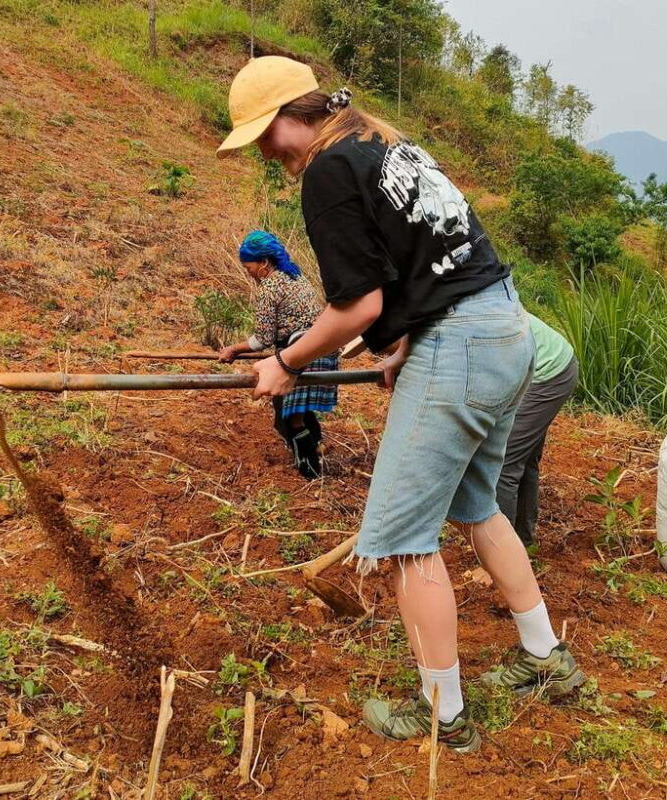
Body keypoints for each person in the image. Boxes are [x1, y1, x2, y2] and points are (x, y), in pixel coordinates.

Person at [217, 56, 585, 753]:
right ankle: (545, 657)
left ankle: (441, 714)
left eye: (266, 135)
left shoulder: (327, 171)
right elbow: (438, 259)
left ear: (293, 116)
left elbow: (358, 303)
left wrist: (286, 362)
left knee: (405, 540)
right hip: (503, 329)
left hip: (460, 347)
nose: (267, 153)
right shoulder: (384, 142)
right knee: (476, 507)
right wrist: (404, 340)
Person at [219, 230, 338, 479]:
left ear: (263, 263)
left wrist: (233, 349)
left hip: (300, 352)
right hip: (322, 348)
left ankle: (310, 471)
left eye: (248, 266)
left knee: (290, 414)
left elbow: (262, 339)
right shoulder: (295, 276)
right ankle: (316, 448)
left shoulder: (269, 287)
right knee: (299, 409)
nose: (248, 272)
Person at [496, 314, 579, 546]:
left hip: (547, 373)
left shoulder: (455, 312)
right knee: (524, 458)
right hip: (550, 361)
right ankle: (522, 541)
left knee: (504, 463)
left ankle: (500, 557)